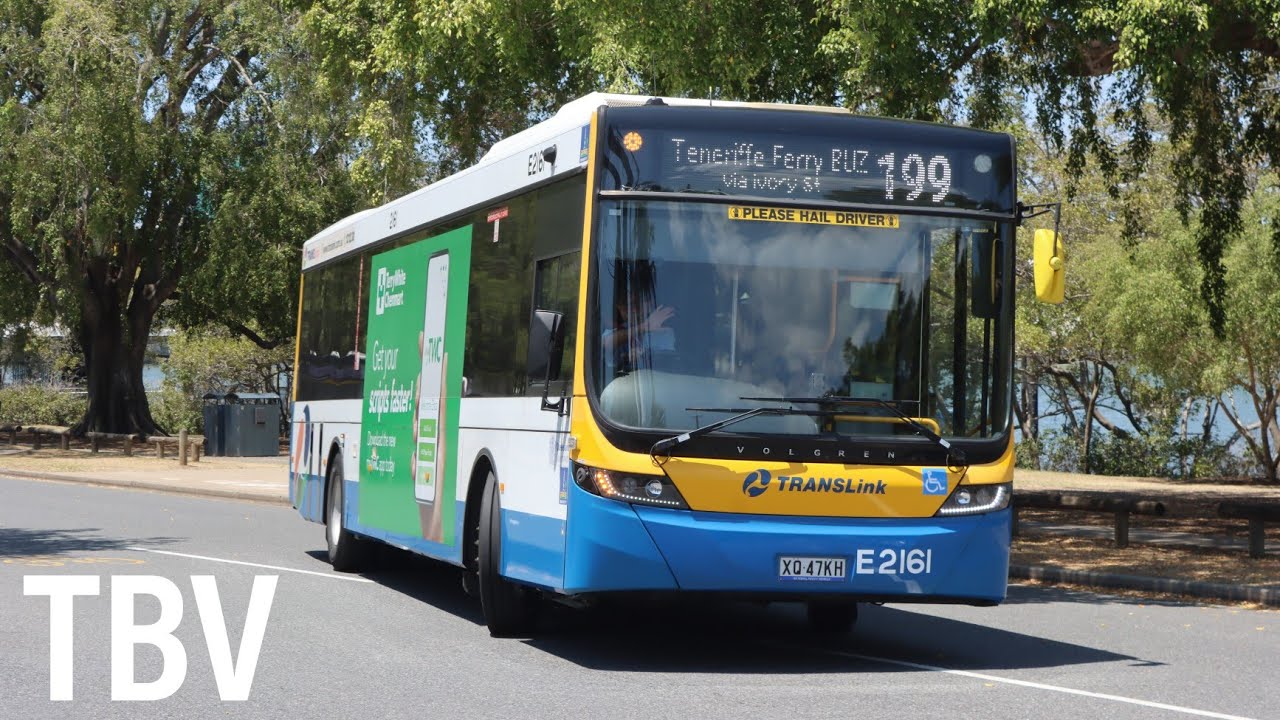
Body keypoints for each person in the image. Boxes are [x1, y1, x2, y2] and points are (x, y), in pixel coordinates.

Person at [601, 286, 676, 373]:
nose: (633, 309)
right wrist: (644, 327)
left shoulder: (665, 331)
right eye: (627, 305)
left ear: (650, 303)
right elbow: (606, 343)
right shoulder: (620, 329)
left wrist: (644, 354)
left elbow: (670, 362)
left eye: (638, 303)